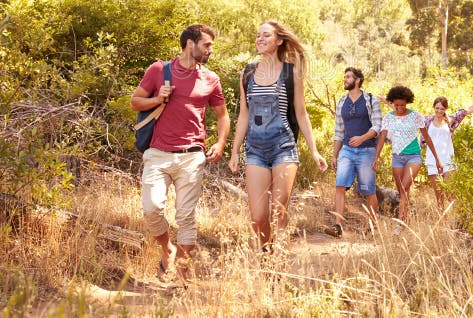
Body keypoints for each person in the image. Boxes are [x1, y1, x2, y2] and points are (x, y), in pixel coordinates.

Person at [131, 24, 230, 281]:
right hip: (158, 154)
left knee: (186, 217)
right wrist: (157, 99)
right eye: (207, 45)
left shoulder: (210, 79)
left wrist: (220, 143)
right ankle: (167, 250)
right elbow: (135, 101)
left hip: (192, 156)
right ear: (190, 44)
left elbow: (223, 115)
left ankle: (182, 276)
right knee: (152, 209)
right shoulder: (159, 71)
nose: (210, 50)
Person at [229, 20, 327, 251]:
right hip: (255, 150)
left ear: (279, 40)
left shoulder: (291, 72)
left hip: (283, 147)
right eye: (257, 36)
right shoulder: (248, 72)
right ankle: (267, 253)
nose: (259, 39)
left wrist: (314, 150)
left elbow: (301, 114)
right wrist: (234, 151)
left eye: (266, 35)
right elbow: (244, 115)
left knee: (277, 211)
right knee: (257, 216)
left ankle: (277, 263)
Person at [373, 85, 444, 228]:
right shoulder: (388, 118)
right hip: (397, 158)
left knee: (404, 188)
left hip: (414, 157)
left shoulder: (415, 116)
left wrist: (437, 159)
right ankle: (407, 218)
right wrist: (376, 158)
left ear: (407, 102)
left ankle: (399, 224)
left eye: (402, 105)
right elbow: (382, 138)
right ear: (392, 102)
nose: (399, 107)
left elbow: (427, 138)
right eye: (396, 105)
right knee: (402, 191)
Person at [325, 67, 382, 238]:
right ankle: (338, 226)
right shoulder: (342, 101)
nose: (345, 79)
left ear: (357, 80)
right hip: (347, 151)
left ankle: (372, 226)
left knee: (368, 190)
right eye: (345, 76)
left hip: (367, 151)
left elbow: (378, 126)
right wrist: (334, 154)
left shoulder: (370, 100)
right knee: (340, 185)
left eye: (348, 77)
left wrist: (363, 138)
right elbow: (339, 131)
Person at [424, 91, 473, 208]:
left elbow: (468, 110)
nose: (439, 111)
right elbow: (408, 115)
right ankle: (442, 222)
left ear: (446, 109)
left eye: (442, 109)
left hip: (448, 160)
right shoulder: (427, 121)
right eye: (437, 108)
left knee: (450, 194)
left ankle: (457, 218)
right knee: (439, 196)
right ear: (433, 107)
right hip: (432, 161)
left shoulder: (450, 120)